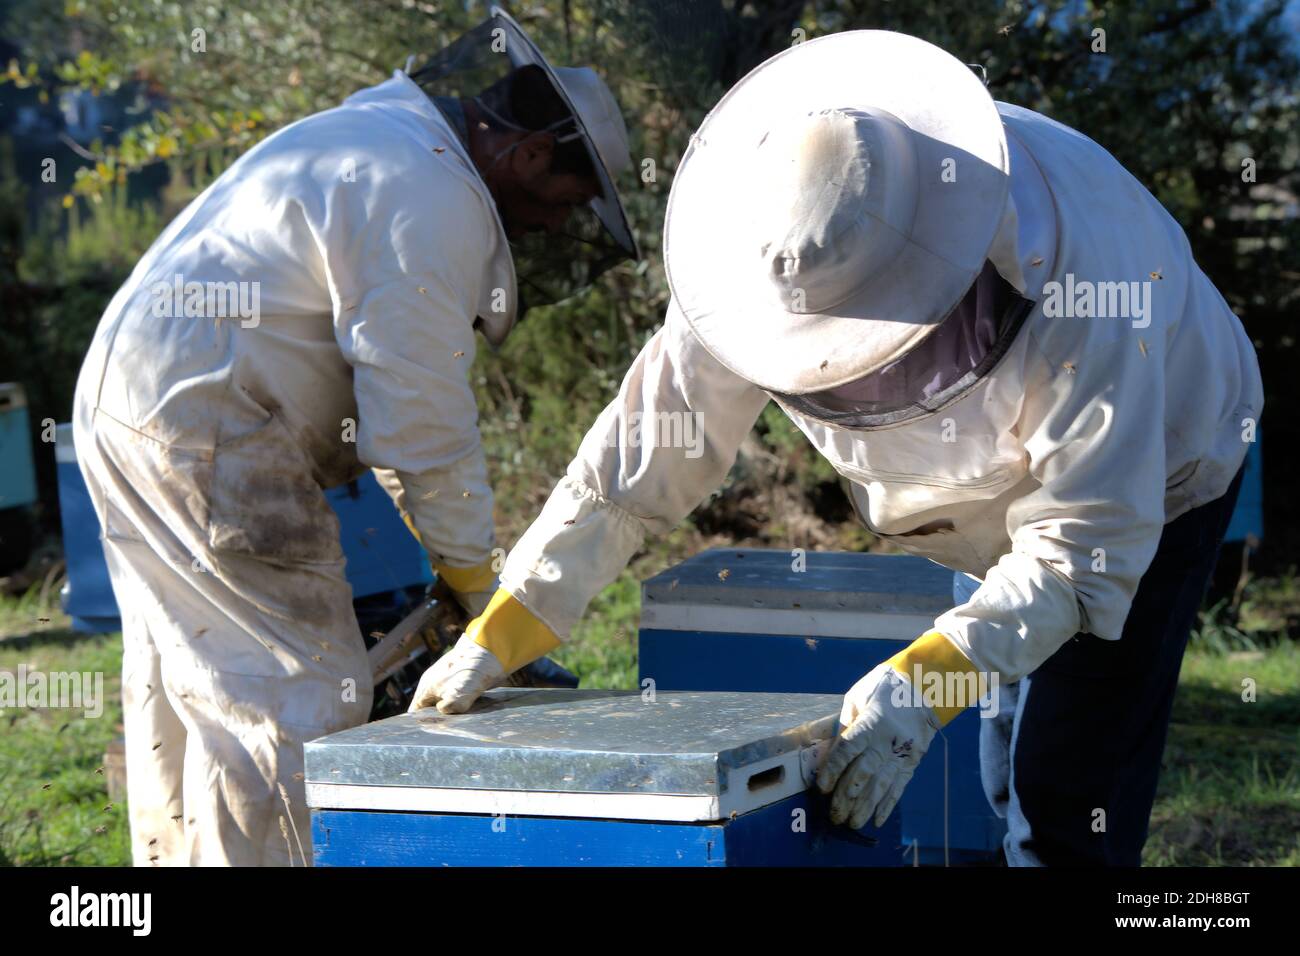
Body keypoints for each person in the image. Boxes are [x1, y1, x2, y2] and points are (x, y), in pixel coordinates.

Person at [410, 29, 1263, 867]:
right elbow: (644, 455)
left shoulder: (1087, 284)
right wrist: (511, 622)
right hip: (988, 506)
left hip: (1161, 467)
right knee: (1002, 749)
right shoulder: (757, 240)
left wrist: (925, 687)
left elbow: (1080, 557)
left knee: (1066, 780)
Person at [72, 9, 635, 866]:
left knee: (186, 683)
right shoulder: (430, 196)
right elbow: (422, 430)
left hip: (133, 398)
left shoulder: (382, 138)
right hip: (210, 430)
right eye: (571, 198)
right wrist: (478, 587)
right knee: (293, 709)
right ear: (528, 156)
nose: (562, 226)